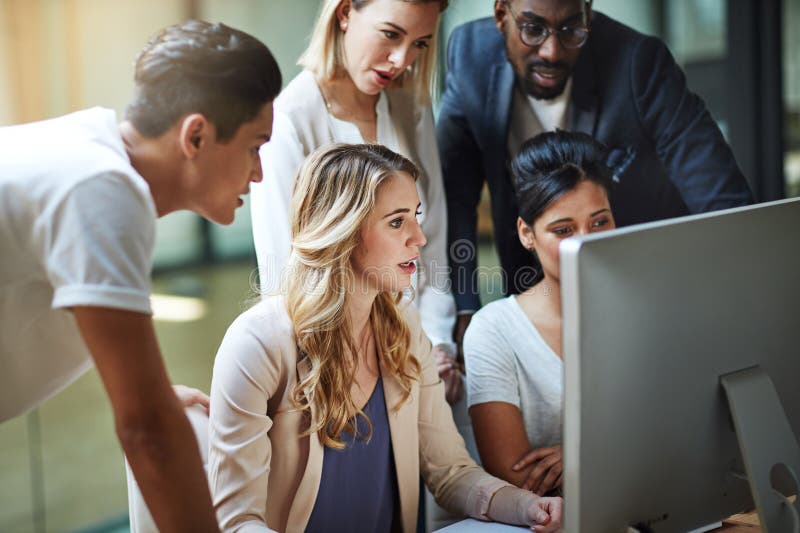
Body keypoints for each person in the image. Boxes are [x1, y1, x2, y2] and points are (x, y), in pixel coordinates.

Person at [0, 21, 281, 533]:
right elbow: (148, 433)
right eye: (254, 146)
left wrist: (148, 389)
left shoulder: (92, 149)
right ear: (195, 134)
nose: (259, 173)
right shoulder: (103, 187)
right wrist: (150, 407)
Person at [208, 143, 562, 533]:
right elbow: (238, 523)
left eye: (416, 216)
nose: (419, 238)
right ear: (340, 229)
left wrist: (529, 507)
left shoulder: (404, 329)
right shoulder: (258, 342)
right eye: (397, 222)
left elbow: (451, 473)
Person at [437, 0, 754, 351]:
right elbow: (455, 194)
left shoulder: (639, 62)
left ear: (587, 12)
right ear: (501, 16)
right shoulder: (469, 56)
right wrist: (465, 306)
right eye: (532, 28)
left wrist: (731, 309)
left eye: (572, 28)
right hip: (530, 284)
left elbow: (723, 203)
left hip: (643, 293)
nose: (552, 51)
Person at [250, 0, 462, 402]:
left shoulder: (411, 107)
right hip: (337, 371)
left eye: (419, 43)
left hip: (422, 356)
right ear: (345, 12)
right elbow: (283, 277)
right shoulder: (290, 122)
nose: (401, 60)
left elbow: (432, 240)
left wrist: (438, 345)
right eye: (390, 34)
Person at [464, 131, 615, 496]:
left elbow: (679, 438)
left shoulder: (646, 312)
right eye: (563, 230)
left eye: (600, 222)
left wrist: (584, 457)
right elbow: (519, 476)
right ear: (526, 234)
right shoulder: (494, 330)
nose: (586, 242)